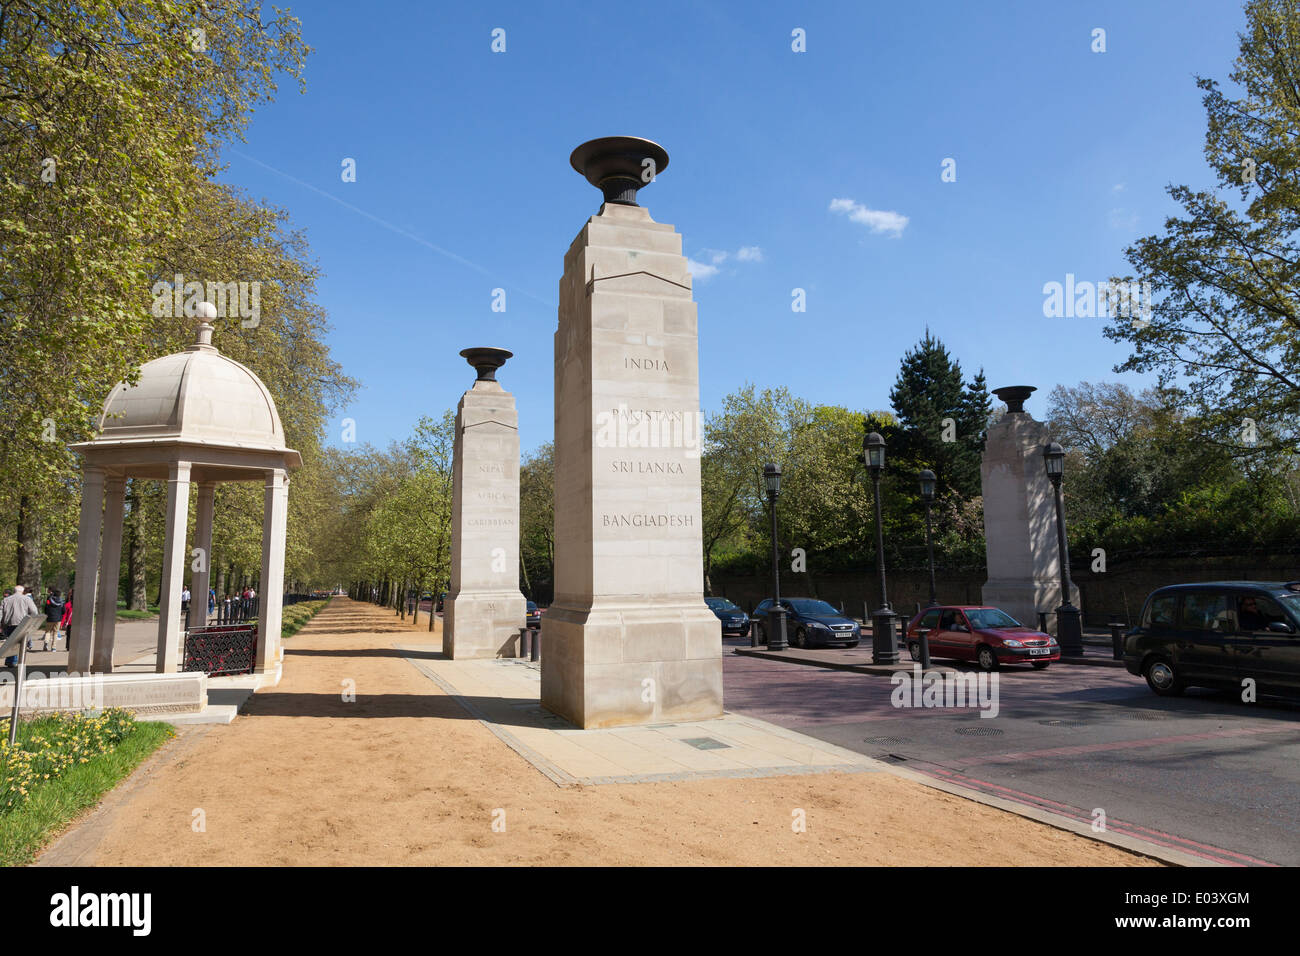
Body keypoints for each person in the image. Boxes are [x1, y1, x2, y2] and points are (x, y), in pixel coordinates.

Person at [1, 585, 39, 667]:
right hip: (23, 623)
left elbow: (1, 613)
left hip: (9, 624)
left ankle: (10, 660)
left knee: (11, 642)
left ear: (14, 591)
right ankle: (13, 661)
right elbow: (34, 611)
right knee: (18, 643)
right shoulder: (27, 599)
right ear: (22, 591)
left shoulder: (5, 600)